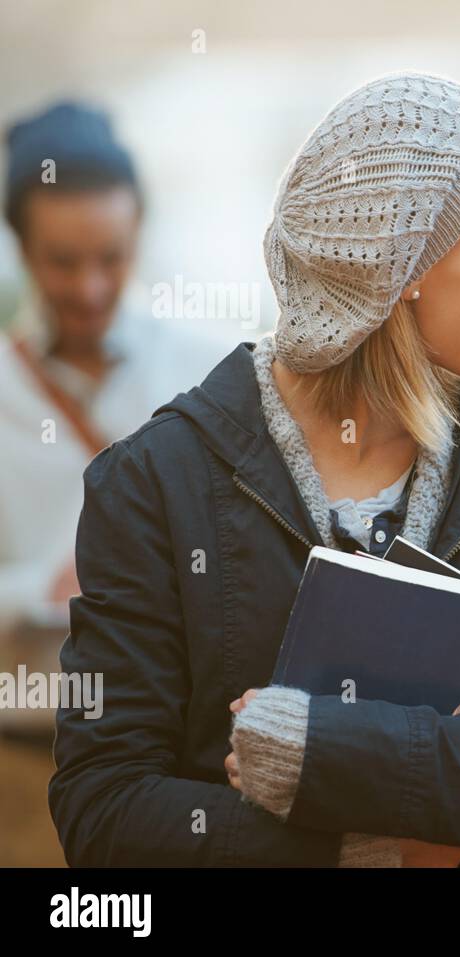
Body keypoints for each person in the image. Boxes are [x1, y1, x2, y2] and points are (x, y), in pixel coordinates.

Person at [48, 72, 460, 867]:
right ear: (410, 264)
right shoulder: (153, 482)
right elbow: (104, 805)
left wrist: (330, 752)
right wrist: (358, 852)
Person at [0, 101, 228, 638]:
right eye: (63, 262)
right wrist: (39, 589)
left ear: (139, 235)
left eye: (112, 257)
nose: (90, 288)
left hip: (169, 716)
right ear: (24, 250)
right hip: (25, 715)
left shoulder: (208, 370)